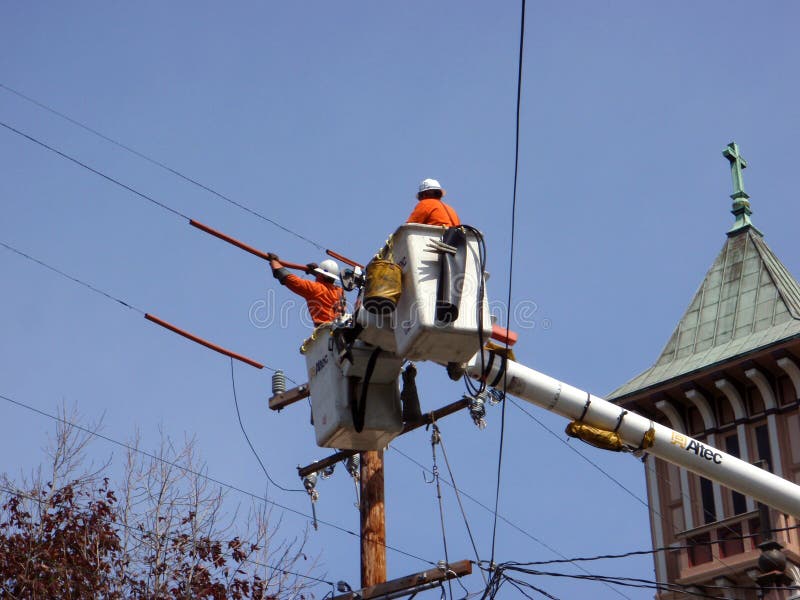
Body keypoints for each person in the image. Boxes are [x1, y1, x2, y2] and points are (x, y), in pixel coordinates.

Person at [270, 256, 345, 326]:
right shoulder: (339, 291)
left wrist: (274, 261)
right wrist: (316, 272)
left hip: (325, 329)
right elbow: (329, 284)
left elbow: (290, 280)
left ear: (321, 274)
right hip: (338, 327)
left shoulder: (314, 289)